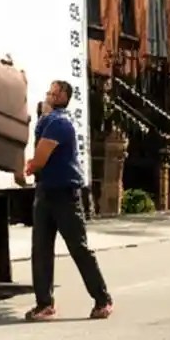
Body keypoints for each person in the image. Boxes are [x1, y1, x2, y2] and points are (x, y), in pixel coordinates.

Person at [24, 80, 113, 321]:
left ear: (62, 96)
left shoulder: (58, 123)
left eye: (53, 91)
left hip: (65, 195)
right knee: (41, 250)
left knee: (79, 249)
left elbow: (40, 160)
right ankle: (44, 304)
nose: (48, 94)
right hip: (46, 192)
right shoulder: (49, 121)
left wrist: (23, 169)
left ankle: (103, 300)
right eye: (48, 90)